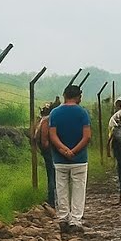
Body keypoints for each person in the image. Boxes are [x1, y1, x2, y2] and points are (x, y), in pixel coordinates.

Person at [48, 85, 92, 232]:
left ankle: (63, 217)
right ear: (78, 96)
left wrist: (63, 149)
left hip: (60, 159)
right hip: (79, 159)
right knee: (79, 188)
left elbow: (52, 135)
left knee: (61, 187)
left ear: (64, 95)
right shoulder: (83, 113)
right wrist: (74, 150)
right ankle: (75, 219)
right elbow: (87, 136)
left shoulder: (54, 113)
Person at [33, 101, 57, 208]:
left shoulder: (44, 121)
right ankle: (55, 199)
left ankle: (52, 199)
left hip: (48, 150)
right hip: (53, 150)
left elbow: (42, 139)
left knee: (51, 174)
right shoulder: (50, 120)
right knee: (55, 175)